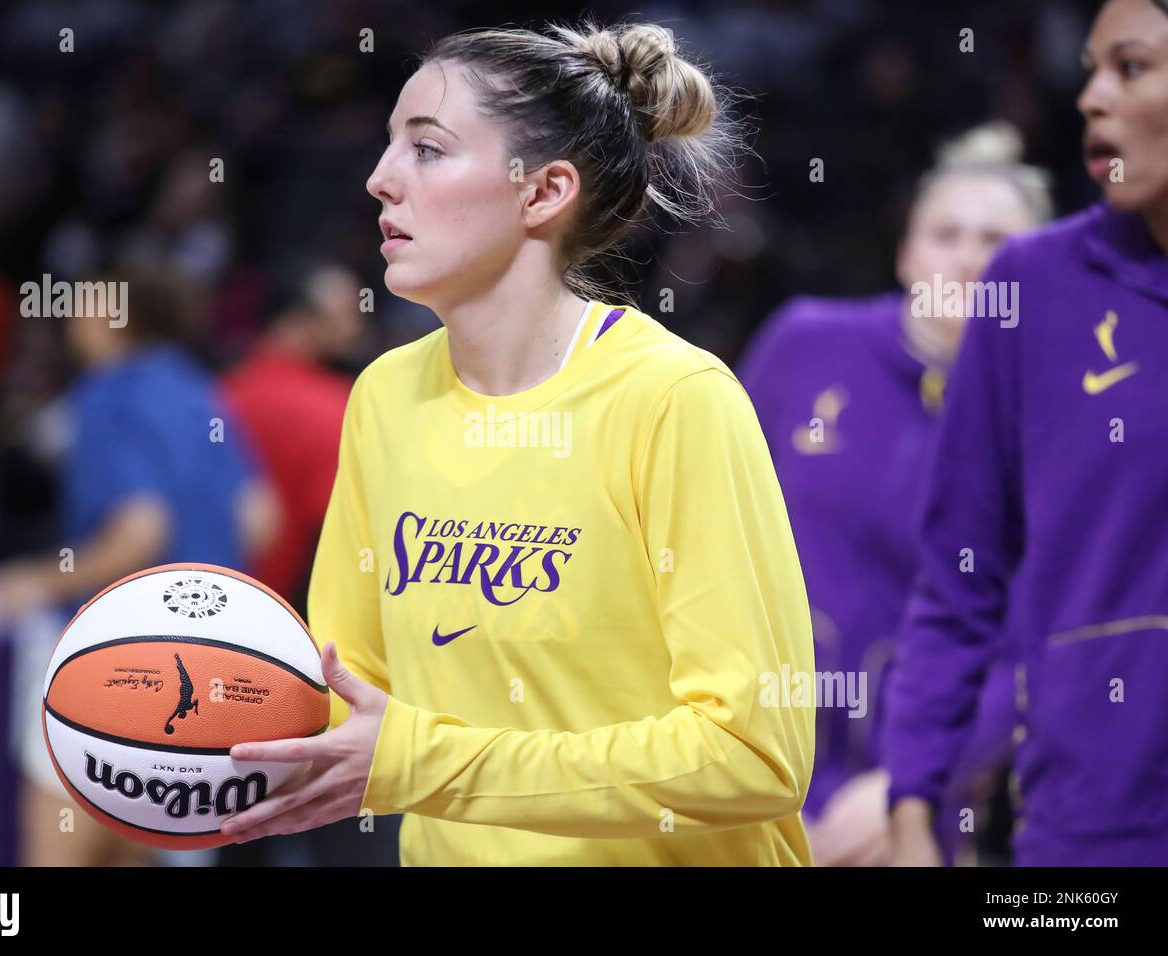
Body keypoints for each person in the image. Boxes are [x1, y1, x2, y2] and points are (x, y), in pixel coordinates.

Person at [218, 20, 816, 866]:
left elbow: (754, 756)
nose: (380, 179)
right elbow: (350, 698)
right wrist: (194, 702)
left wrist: (432, 763)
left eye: (426, 149)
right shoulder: (384, 398)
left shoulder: (675, 400)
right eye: (391, 146)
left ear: (542, 193)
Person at [886, 0, 1168, 866]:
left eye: (1129, 67)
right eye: (1088, 68)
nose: (1090, 97)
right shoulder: (1033, 286)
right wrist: (912, 800)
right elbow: (959, 581)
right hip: (1090, 834)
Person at [738, 122, 1052, 865]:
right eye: (947, 234)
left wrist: (907, 789)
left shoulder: (1055, 424)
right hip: (743, 761)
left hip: (907, 815)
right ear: (909, 254)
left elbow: (1031, 646)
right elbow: (705, 527)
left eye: (999, 241)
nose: (972, 258)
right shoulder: (804, 342)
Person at [0, 266, 277, 866]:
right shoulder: (203, 392)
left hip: (107, 658)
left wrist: (33, 581)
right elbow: (260, 518)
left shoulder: (106, 394)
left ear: (110, 316)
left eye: (82, 304)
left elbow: (140, 530)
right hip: (210, 666)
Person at [221, 261, 365, 614]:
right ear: (298, 321)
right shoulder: (339, 406)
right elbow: (345, 531)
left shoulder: (220, 393)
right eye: (344, 316)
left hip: (209, 604)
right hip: (288, 618)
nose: (356, 328)